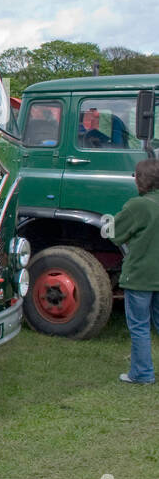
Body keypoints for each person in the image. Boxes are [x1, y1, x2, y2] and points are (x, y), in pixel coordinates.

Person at [111, 158, 159, 384]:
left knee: (140, 327)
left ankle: (142, 373)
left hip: (139, 276)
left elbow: (114, 233)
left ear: (141, 180)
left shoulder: (137, 205)